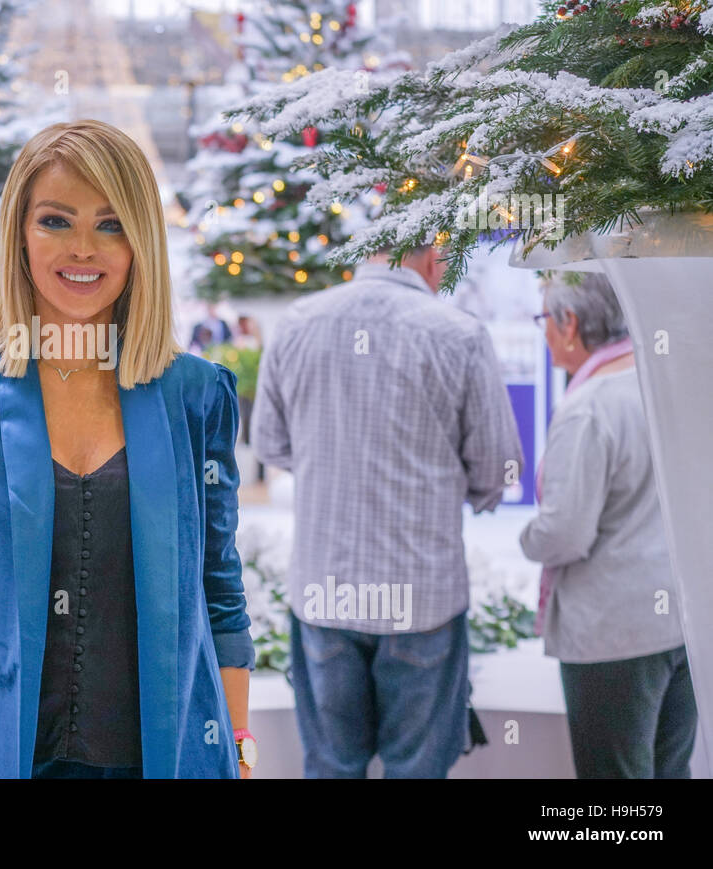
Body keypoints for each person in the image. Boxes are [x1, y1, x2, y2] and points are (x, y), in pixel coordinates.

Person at [0, 119, 256, 780]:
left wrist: (238, 748)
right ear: (18, 234)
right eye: (56, 220)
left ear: (141, 239)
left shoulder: (196, 397)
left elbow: (220, 591)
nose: (83, 248)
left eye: (111, 224)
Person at [252, 241, 524, 778]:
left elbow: (268, 443)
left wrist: (329, 464)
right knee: (417, 769)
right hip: (422, 594)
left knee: (332, 765)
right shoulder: (460, 333)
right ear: (431, 258)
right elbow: (498, 469)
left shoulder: (298, 322)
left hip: (325, 589)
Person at [520, 272, 695, 778]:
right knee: (669, 772)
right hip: (676, 624)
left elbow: (563, 534)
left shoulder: (590, 407)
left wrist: (527, 538)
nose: (544, 334)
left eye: (544, 321)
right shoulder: (659, 381)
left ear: (569, 323)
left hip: (614, 633)